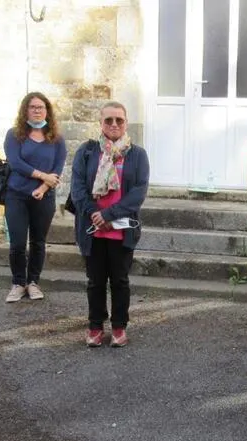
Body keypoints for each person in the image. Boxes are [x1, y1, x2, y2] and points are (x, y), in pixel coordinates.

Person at [69, 101, 150, 348]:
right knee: (95, 281)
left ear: (125, 123)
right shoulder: (87, 151)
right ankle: (95, 327)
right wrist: (95, 213)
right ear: (100, 122)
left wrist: (110, 214)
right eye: (108, 120)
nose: (114, 124)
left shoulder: (137, 154)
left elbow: (139, 191)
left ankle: (118, 327)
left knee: (120, 281)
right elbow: (78, 188)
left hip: (121, 229)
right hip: (92, 229)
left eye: (119, 120)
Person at [2, 92, 67, 303]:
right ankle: (18, 283)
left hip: (44, 197)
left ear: (47, 110)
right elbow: (16, 163)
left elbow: (57, 169)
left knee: (38, 242)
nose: (37, 110)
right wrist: (42, 176)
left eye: (41, 107)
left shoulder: (56, 139)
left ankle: (33, 283)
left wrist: (43, 188)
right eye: (33, 107)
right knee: (18, 243)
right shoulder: (14, 135)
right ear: (25, 110)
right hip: (17, 196)